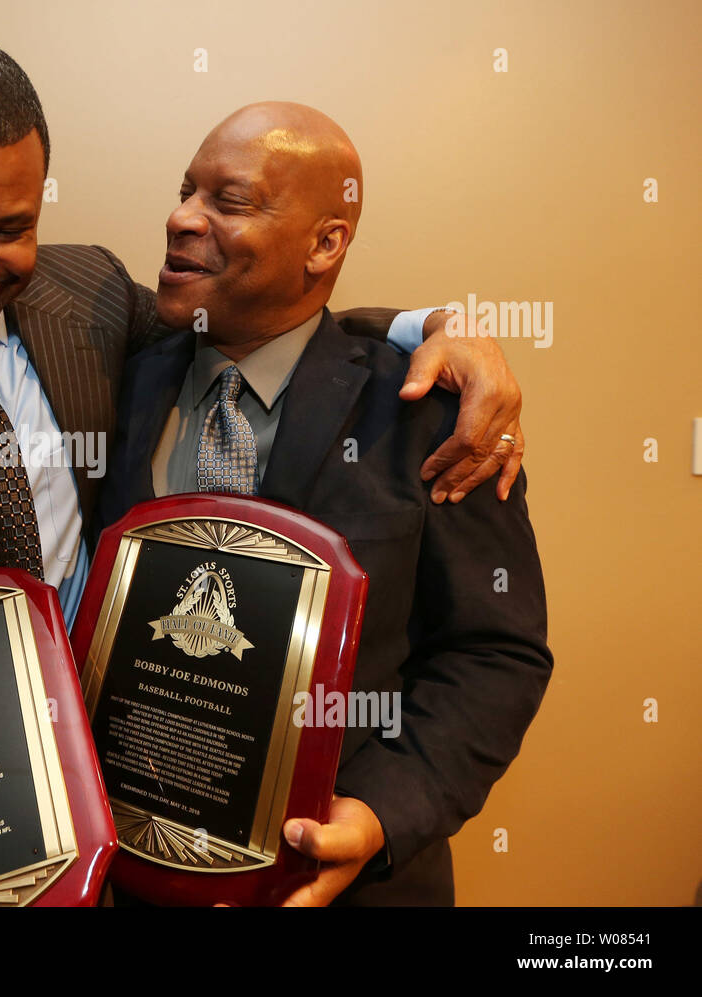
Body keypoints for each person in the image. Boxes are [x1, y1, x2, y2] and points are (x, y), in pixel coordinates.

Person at [0, 32, 527, 906]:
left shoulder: (85, 301)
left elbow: (274, 323)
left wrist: (434, 328)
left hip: (165, 846)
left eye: (9, 229)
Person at [95, 101, 553, 906]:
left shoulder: (432, 419)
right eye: (184, 191)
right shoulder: (112, 380)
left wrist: (378, 812)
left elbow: (495, 655)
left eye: (227, 202)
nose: (179, 218)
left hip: (338, 882)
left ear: (325, 242)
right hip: (132, 872)